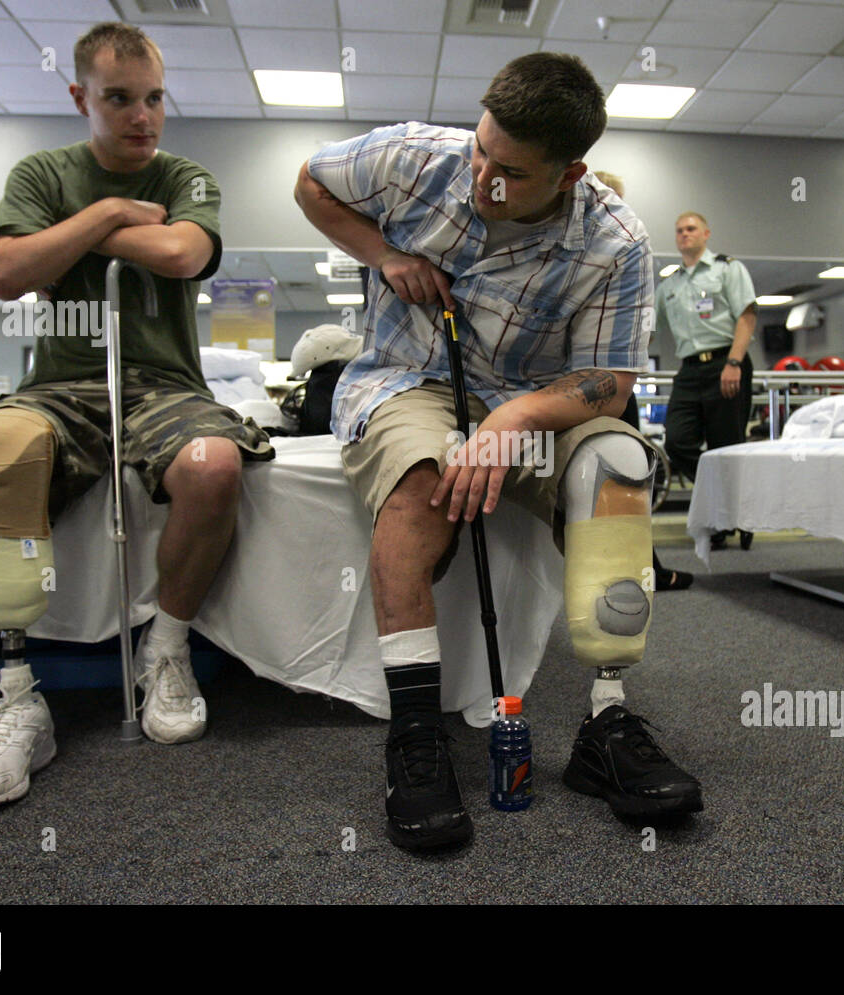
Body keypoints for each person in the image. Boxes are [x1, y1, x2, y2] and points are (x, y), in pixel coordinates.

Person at [296, 52, 702, 852]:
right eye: (482, 149)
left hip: (537, 395)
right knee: (420, 484)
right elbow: (310, 182)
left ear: (570, 171)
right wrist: (384, 254)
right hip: (411, 377)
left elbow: (610, 384)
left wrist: (514, 415)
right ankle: (415, 733)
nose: (482, 178)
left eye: (510, 170)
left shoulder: (615, 242)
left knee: (614, 471)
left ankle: (606, 722)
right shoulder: (418, 158)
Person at [0, 22, 274, 812]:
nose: (142, 116)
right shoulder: (42, 172)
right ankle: (19, 695)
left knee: (214, 464)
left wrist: (68, 242)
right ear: (79, 97)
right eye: (119, 99)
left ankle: (164, 649)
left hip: (161, 380)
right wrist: (116, 214)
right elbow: (8, 272)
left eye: (154, 98)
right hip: (66, 379)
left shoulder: (187, 173)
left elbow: (186, 255)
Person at [595, 170, 690, 591]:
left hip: (608, 383)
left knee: (624, 479)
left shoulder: (627, 252)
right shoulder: (622, 251)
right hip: (599, 384)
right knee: (623, 479)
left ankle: (641, 568)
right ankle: (639, 570)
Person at [657, 213, 756, 546]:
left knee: (724, 447)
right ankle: (733, 503)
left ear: (706, 234)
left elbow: (747, 316)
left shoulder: (727, 269)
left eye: (691, 229)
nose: (684, 235)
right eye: (679, 230)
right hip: (689, 370)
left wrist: (734, 362)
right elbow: (647, 325)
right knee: (677, 442)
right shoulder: (669, 284)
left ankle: (722, 523)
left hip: (725, 363)